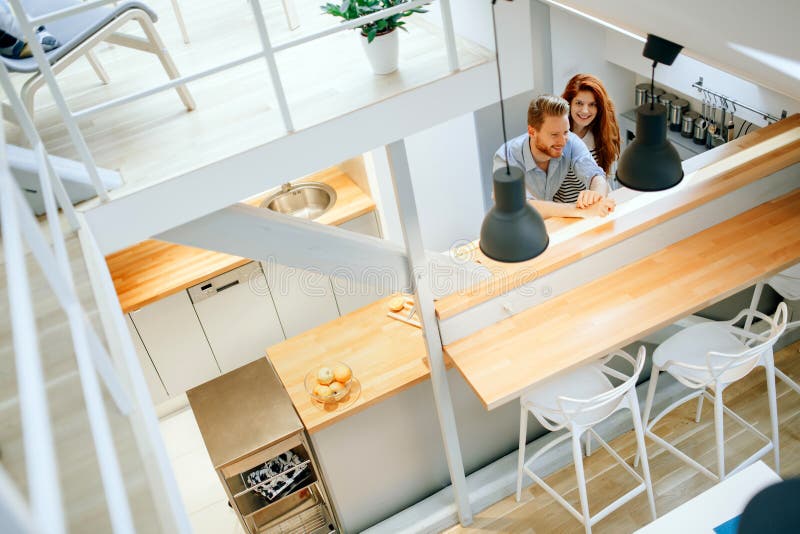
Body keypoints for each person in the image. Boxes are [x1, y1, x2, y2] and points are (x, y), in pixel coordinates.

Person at [493, 94, 615, 219]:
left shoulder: (571, 141)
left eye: (565, 132)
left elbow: (596, 174)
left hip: (553, 222)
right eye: (554, 134)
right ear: (532, 132)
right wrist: (578, 210)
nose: (562, 141)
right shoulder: (506, 158)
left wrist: (596, 196)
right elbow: (519, 205)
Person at [554, 74, 621, 203]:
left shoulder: (602, 132)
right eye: (579, 103)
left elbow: (604, 178)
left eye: (592, 104)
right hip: (565, 209)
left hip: (596, 203)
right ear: (569, 104)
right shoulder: (556, 133)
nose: (585, 111)